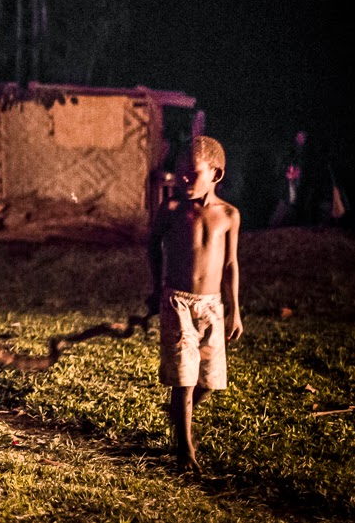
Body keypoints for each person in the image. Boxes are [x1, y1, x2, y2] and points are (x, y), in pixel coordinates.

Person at [146, 135, 243, 472]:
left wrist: (235, 311)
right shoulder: (171, 209)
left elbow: (231, 264)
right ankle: (185, 450)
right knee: (184, 380)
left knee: (209, 382)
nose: (183, 178)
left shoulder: (229, 215)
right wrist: (156, 287)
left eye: (193, 173)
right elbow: (152, 246)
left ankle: (177, 414)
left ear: (215, 175)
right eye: (181, 172)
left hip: (213, 306)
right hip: (177, 302)